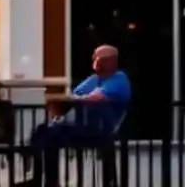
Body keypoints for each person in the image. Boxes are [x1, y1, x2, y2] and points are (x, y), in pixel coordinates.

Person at [30, 45, 131, 187]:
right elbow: (74, 95)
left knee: (51, 135)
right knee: (41, 131)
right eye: (95, 58)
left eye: (99, 58)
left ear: (111, 61)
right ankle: (40, 179)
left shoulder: (119, 79)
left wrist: (80, 99)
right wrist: (71, 101)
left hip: (102, 129)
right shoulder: (94, 79)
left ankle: (50, 182)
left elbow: (97, 97)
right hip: (83, 125)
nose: (95, 61)